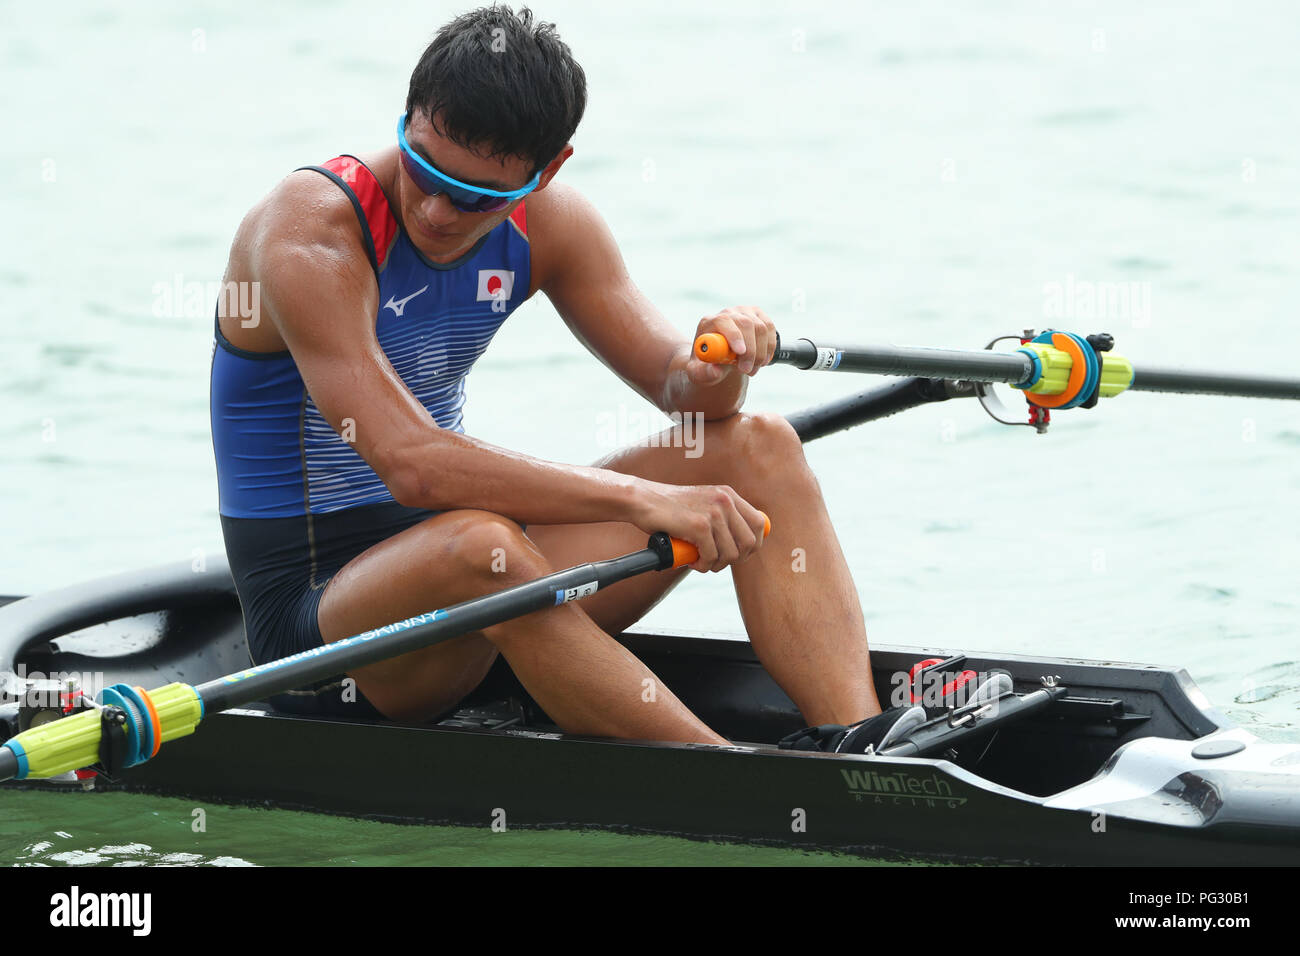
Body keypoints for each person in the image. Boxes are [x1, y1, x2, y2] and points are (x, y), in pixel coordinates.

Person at [211, 5, 899, 749]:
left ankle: (857, 742)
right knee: (484, 544)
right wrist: (648, 499)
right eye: (423, 168)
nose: (437, 210)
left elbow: (682, 390)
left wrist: (723, 359)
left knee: (755, 443)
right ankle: (733, 778)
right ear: (407, 119)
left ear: (548, 169)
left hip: (470, 594)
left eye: (477, 196)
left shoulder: (553, 224)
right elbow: (414, 467)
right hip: (322, 635)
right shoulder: (310, 233)